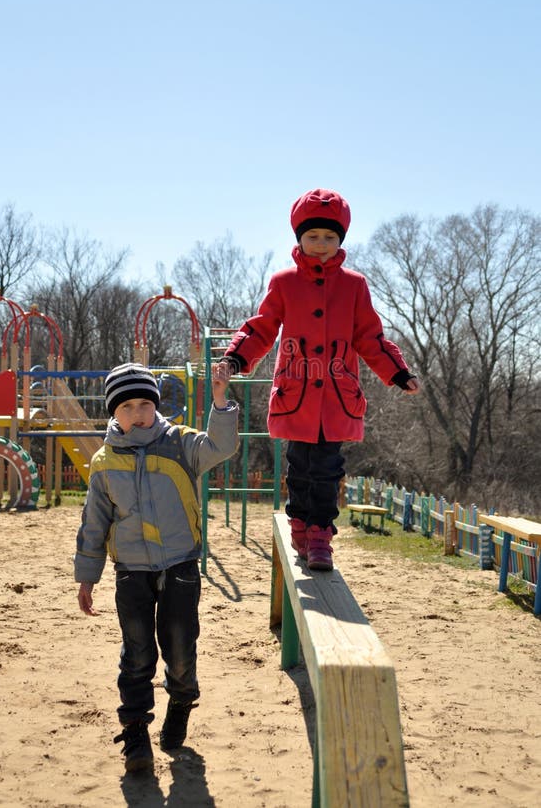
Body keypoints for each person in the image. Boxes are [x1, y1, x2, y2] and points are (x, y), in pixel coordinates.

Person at [221, 188, 419, 572]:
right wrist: (236, 357)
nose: (321, 244)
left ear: (341, 239)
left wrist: (397, 372)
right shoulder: (284, 283)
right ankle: (299, 525)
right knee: (299, 467)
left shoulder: (354, 285)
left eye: (330, 237)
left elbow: (369, 337)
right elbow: (262, 328)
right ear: (299, 237)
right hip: (296, 392)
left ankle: (321, 537)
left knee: (328, 470)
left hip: (336, 397)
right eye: (313, 237)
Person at [75, 361, 238, 773]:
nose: (137, 413)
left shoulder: (180, 444)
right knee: (137, 652)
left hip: (179, 566)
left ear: (156, 406)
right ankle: (135, 735)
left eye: (144, 404)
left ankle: (181, 699)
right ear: (114, 412)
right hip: (130, 570)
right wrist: (87, 577)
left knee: (180, 648)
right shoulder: (103, 462)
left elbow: (221, 447)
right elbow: (94, 523)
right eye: (127, 406)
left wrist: (220, 403)